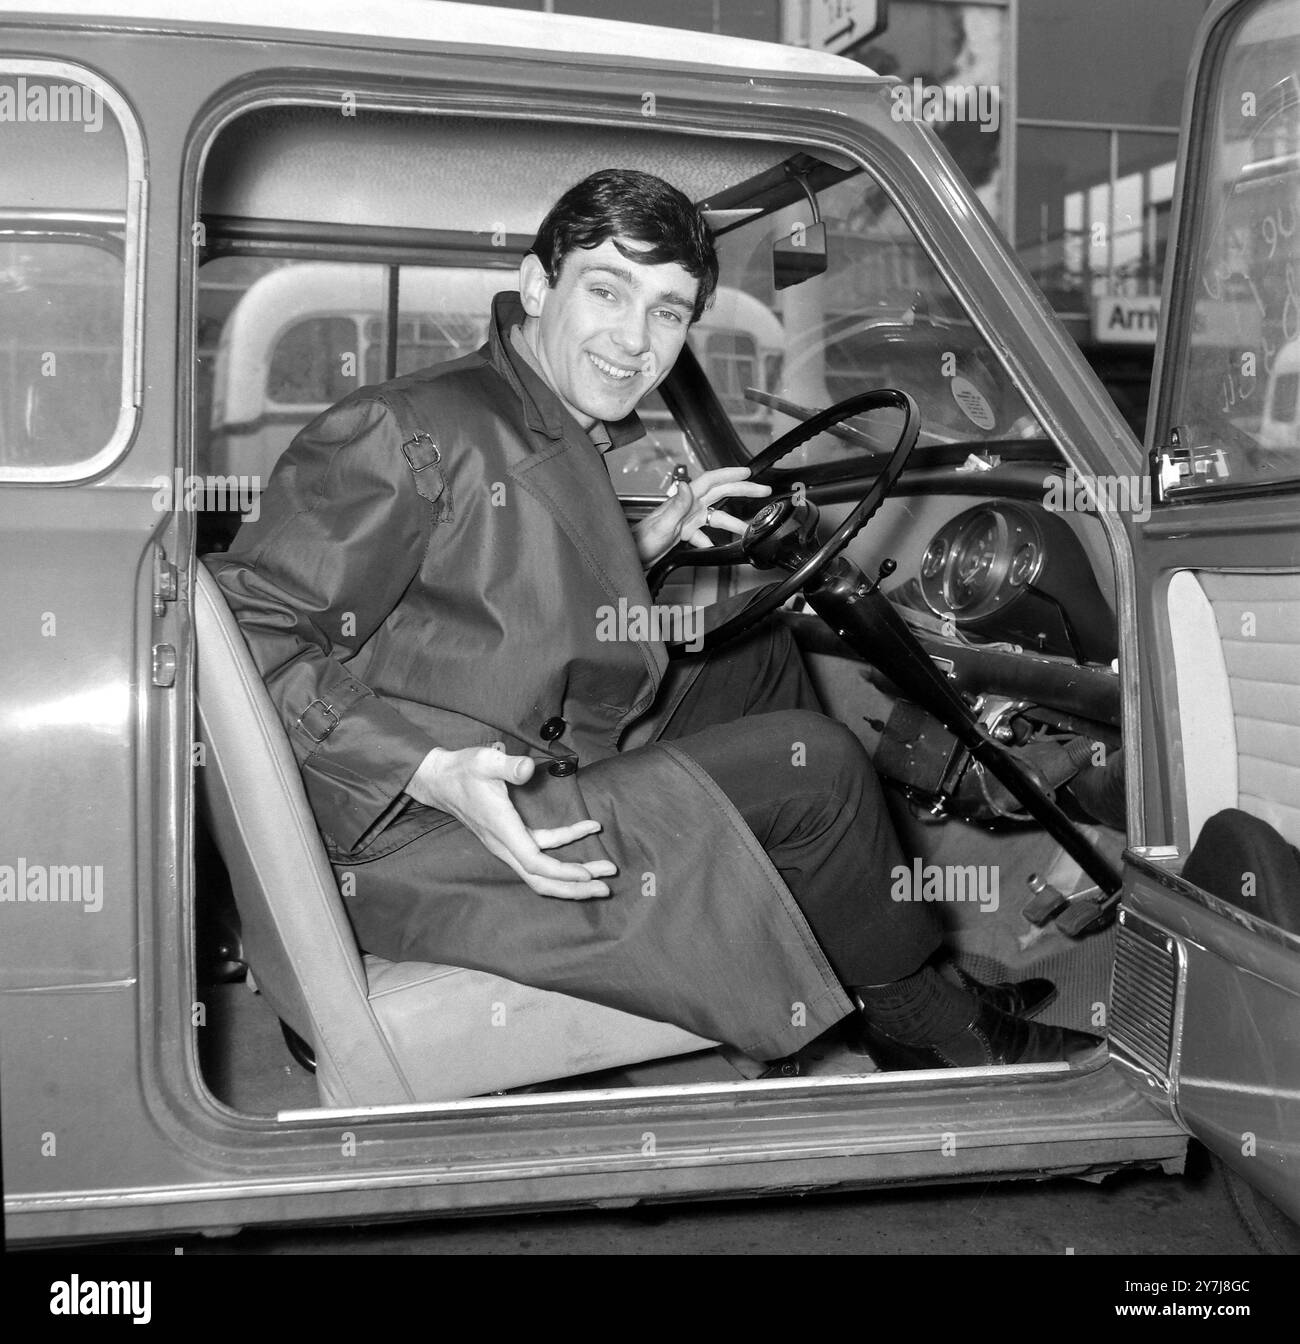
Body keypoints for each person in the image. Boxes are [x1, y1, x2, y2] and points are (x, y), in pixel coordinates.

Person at [207, 168, 1101, 1074]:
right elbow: (252, 636)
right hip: (429, 835)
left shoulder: (535, 411)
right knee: (822, 770)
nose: (635, 341)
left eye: (669, 312)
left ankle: (872, 967)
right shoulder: (405, 429)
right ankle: (920, 1026)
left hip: (514, 758)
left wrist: (643, 540)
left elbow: (488, 585)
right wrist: (428, 771)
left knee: (757, 653)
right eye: (607, 290)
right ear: (535, 286)